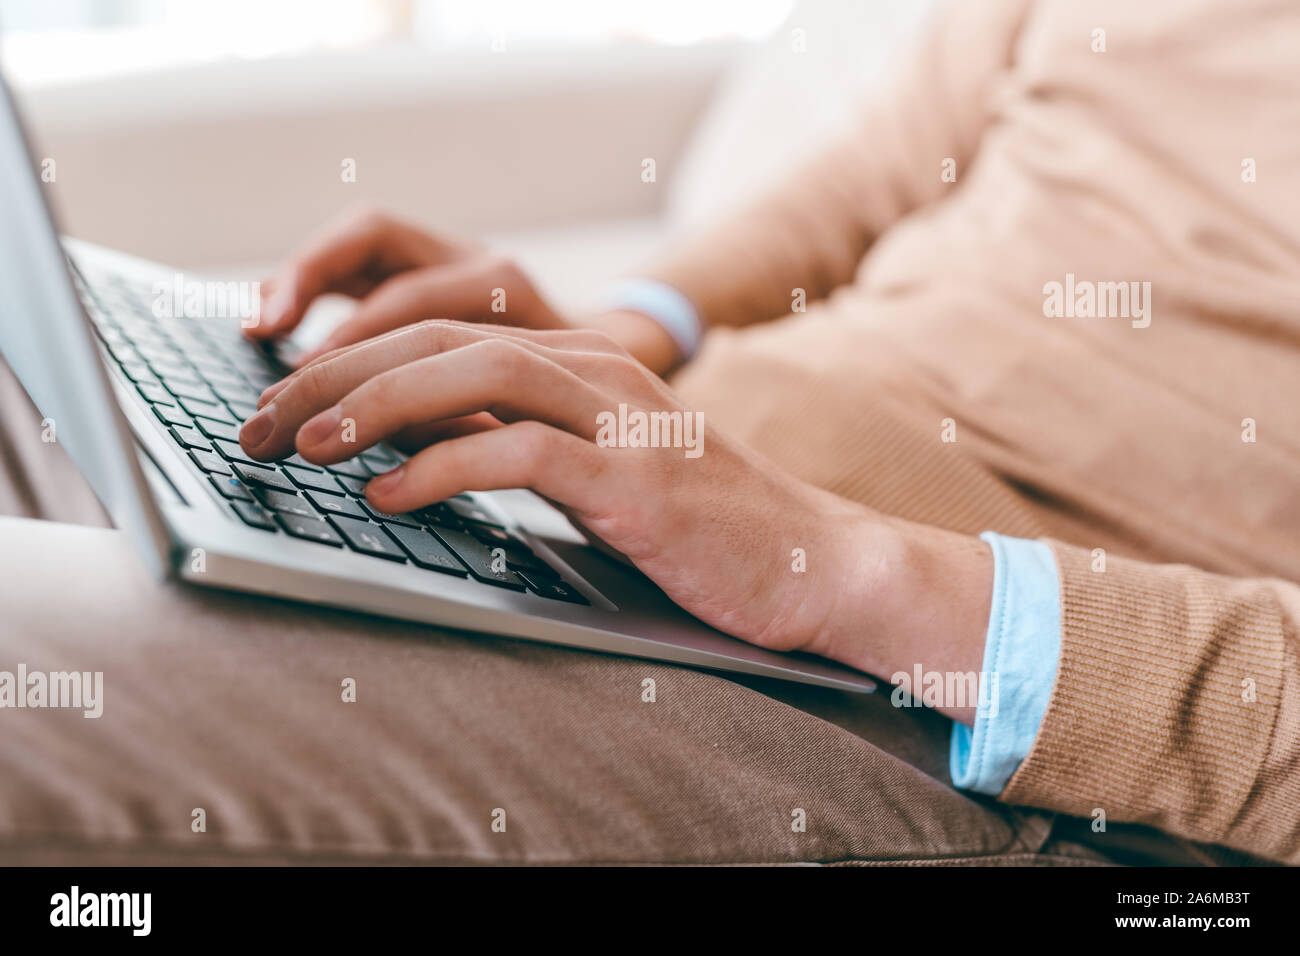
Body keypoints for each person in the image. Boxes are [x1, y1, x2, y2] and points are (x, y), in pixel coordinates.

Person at [1, 0, 1296, 865]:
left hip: (973, 715)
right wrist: (628, 330)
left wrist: (851, 572)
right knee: (54, 380)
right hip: (678, 508)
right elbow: (890, 169)